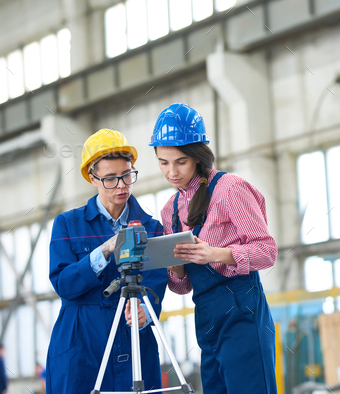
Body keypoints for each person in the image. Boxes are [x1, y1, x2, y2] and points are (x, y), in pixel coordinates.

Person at [126, 103, 278, 393]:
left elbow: (267, 251)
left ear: (197, 156)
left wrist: (214, 253)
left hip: (241, 310)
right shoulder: (170, 209)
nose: (171, 171)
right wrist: (176, 266)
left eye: (180, 161)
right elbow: (181, 287)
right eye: (163, 162)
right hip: (205, 316)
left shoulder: (229, 189)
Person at [46, 129, 168, 394]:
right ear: (93, 178)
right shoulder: (67, 224)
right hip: (81, 340)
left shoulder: (152, 227)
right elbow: (63, 284)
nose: (122, 185)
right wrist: (103, 251)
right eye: (111, 179)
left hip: (133, 335)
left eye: (126, 175)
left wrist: (146, 313)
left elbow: (157, 284)